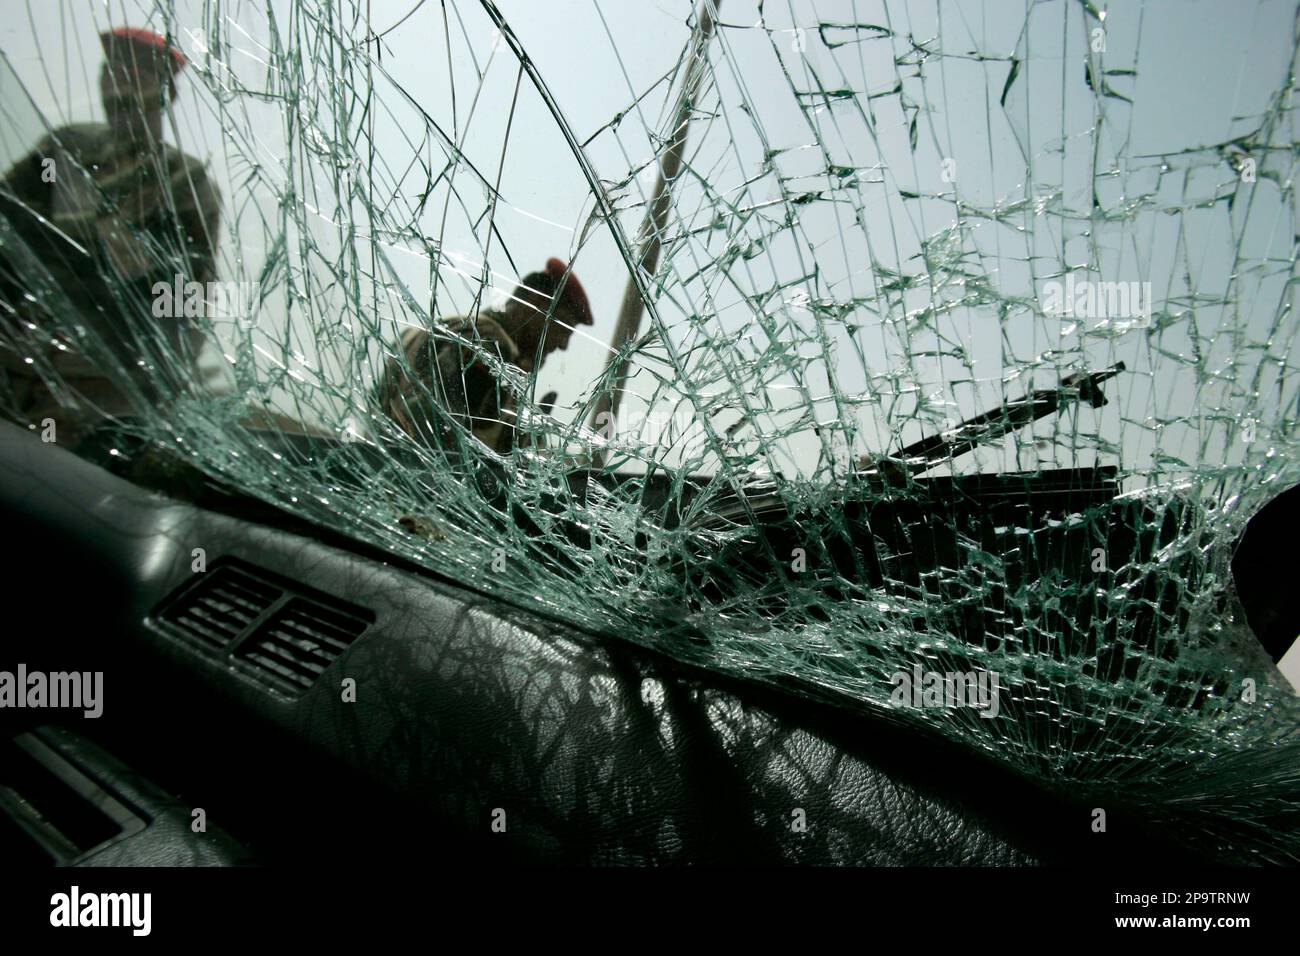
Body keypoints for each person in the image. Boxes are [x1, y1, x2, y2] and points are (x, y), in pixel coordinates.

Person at [0, 27, 221, 445]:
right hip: (21, 358)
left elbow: (188, 300)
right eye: (113, 72)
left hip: (110, 386)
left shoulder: (186, 181)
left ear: (166, 94)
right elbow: (9, 223)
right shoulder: (65, 149)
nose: (121, 86)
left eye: (138, 75)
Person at [376, 258, 593, 455]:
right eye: (563, 328)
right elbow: (431, 425)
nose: (564, 345)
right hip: (423, 486)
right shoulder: (492, 347)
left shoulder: (442, 326)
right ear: (536, 303)